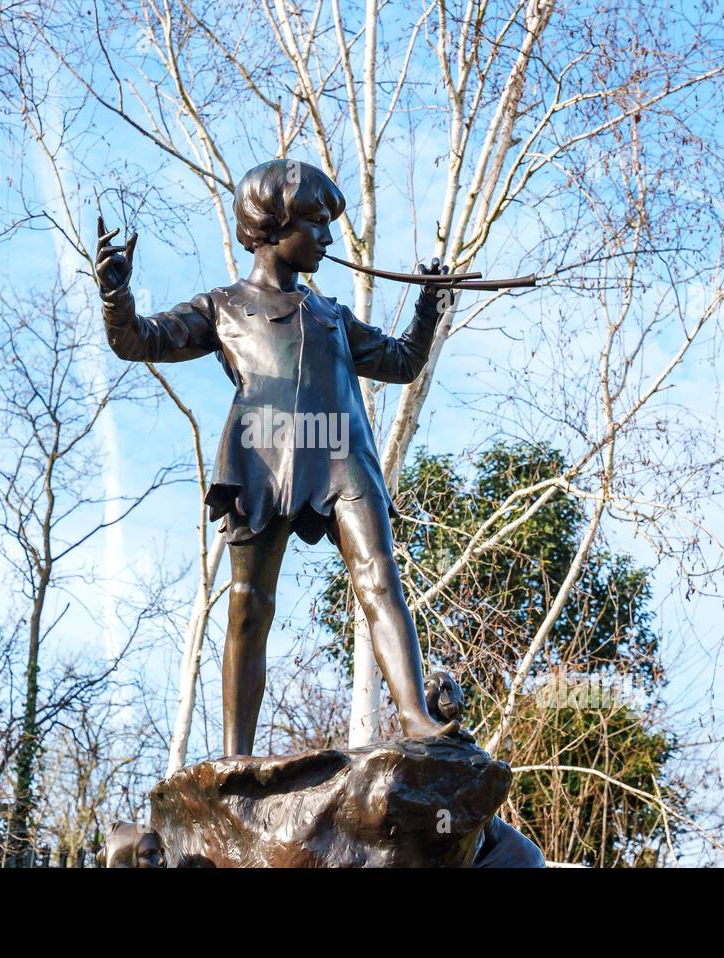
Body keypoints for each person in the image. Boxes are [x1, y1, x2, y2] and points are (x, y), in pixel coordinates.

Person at [96, 158, 464, 756]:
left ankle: (416, 719)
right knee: (249, 604)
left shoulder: (332, 316)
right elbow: (138, 340)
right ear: (273, 224)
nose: (326, 237)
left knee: (379, 576)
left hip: (343, 455)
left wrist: (428, 308)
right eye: (316, 222)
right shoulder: (223, 307)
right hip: (261, 455)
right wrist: (116, 294)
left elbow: (400, 363)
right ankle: (236, 758)